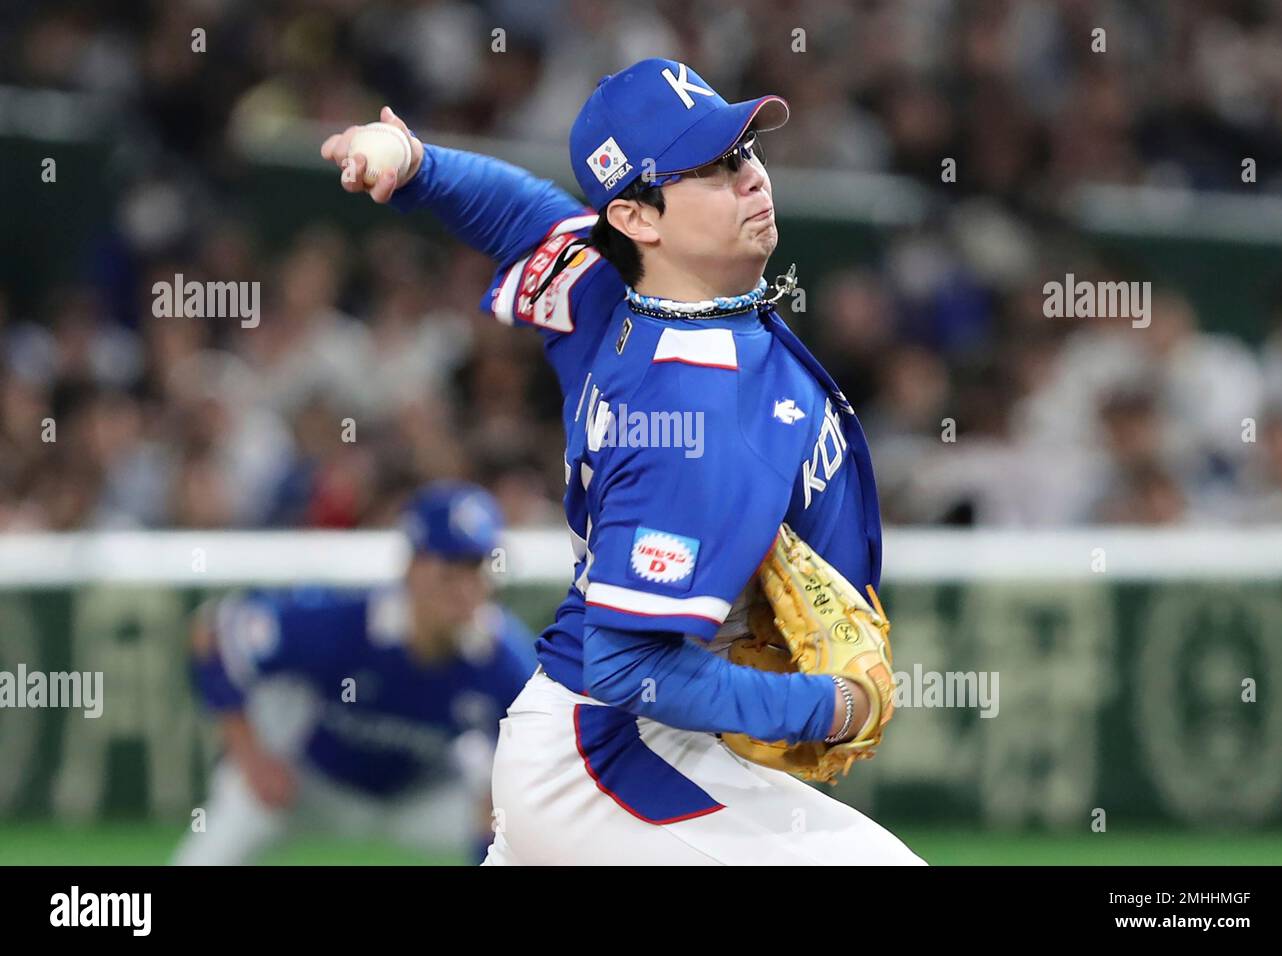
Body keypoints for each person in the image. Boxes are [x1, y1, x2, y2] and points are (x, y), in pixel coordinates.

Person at [321, 58, 924, 865]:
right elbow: (626, 664)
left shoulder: (611, 291)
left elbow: (524, 218)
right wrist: (830, 707)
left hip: (598, 746)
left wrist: (418, 165)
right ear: (639, 217)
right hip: (606, 755)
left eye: (745, 152)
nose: (750, 178)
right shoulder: (690, 413)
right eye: (711, 169)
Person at [173, 481, 534, 865]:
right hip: (311, 786)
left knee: (517, 818)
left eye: (477, 570)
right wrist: (250, 755)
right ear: (412, 567)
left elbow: (536, 759)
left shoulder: (502, 657)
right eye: (450, 569)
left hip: (416, 800)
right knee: (241, 802)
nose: (465, 588)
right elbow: (212, 635)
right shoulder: (345, 624)